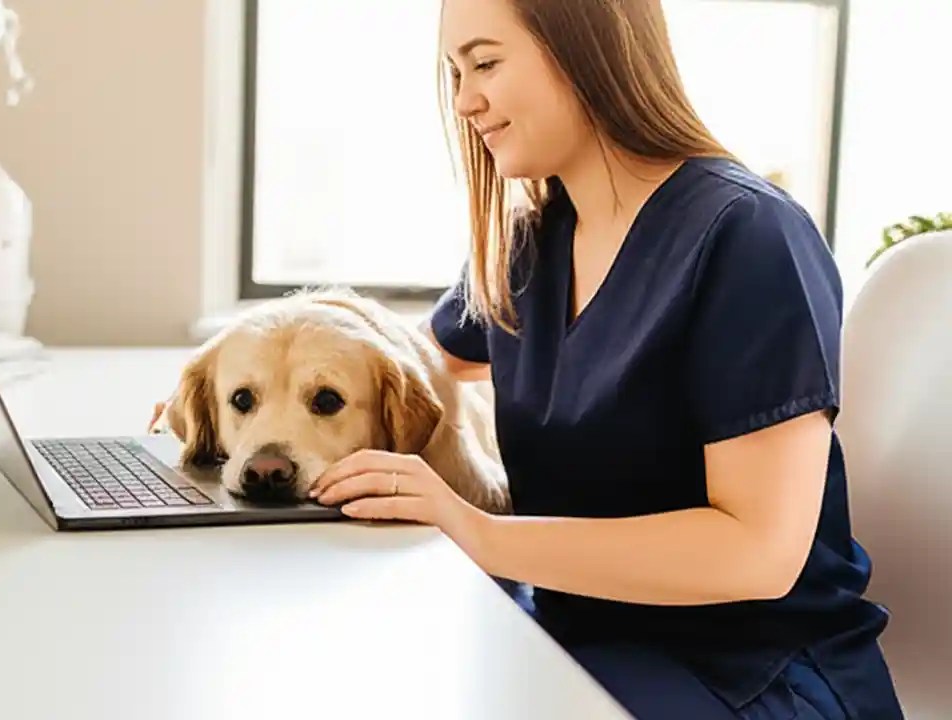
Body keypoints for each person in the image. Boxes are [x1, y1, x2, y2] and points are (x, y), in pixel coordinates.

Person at [307, 0, 905, 718]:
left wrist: (483, 534)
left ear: (586, 47)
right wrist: (243, 398)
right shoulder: (529, 246)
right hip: (578, 637)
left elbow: (758, 552)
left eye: (486, 62)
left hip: (753, 675)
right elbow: (414, 364)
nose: (464, 101)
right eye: (455, 72)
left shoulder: (746, 236)